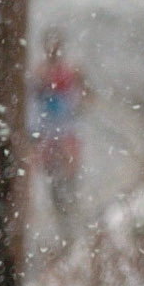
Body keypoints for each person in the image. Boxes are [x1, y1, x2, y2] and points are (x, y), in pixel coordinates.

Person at [29, 30, 93, 226]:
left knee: (70, 164)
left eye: (56, 46)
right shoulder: (38, 72)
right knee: (47, 169)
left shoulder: (72, 71)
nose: (53, 50)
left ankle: (70, 199)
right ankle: (58, 205)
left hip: (67, 128)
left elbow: (88, 95)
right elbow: (30, 99)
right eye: (50, 46)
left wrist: (81, 101)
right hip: (46, 129)